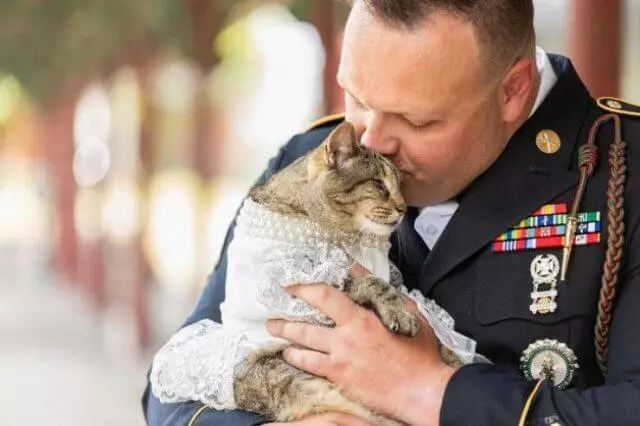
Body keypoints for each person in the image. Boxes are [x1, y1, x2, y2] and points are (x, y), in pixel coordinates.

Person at [142, 0, 640, 424]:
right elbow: (170, 387)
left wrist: (434, 393)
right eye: (355, 96)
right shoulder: (311, 161)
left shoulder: (622, 173)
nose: (371, 139)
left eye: (415, 120)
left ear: (512, 91)